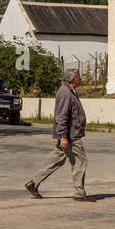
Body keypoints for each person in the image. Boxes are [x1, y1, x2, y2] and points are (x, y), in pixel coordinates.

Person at [25, 69, 95, 201]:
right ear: (73, 79)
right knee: (80, 160)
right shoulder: (65, 93)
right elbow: (61, 116)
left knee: (56, 159)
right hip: (70, 136)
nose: (80, 79)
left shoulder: (69, 91)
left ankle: (33, 183)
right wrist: (63, 136)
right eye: (79, 77)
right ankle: (80, 193)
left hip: (69, 134)